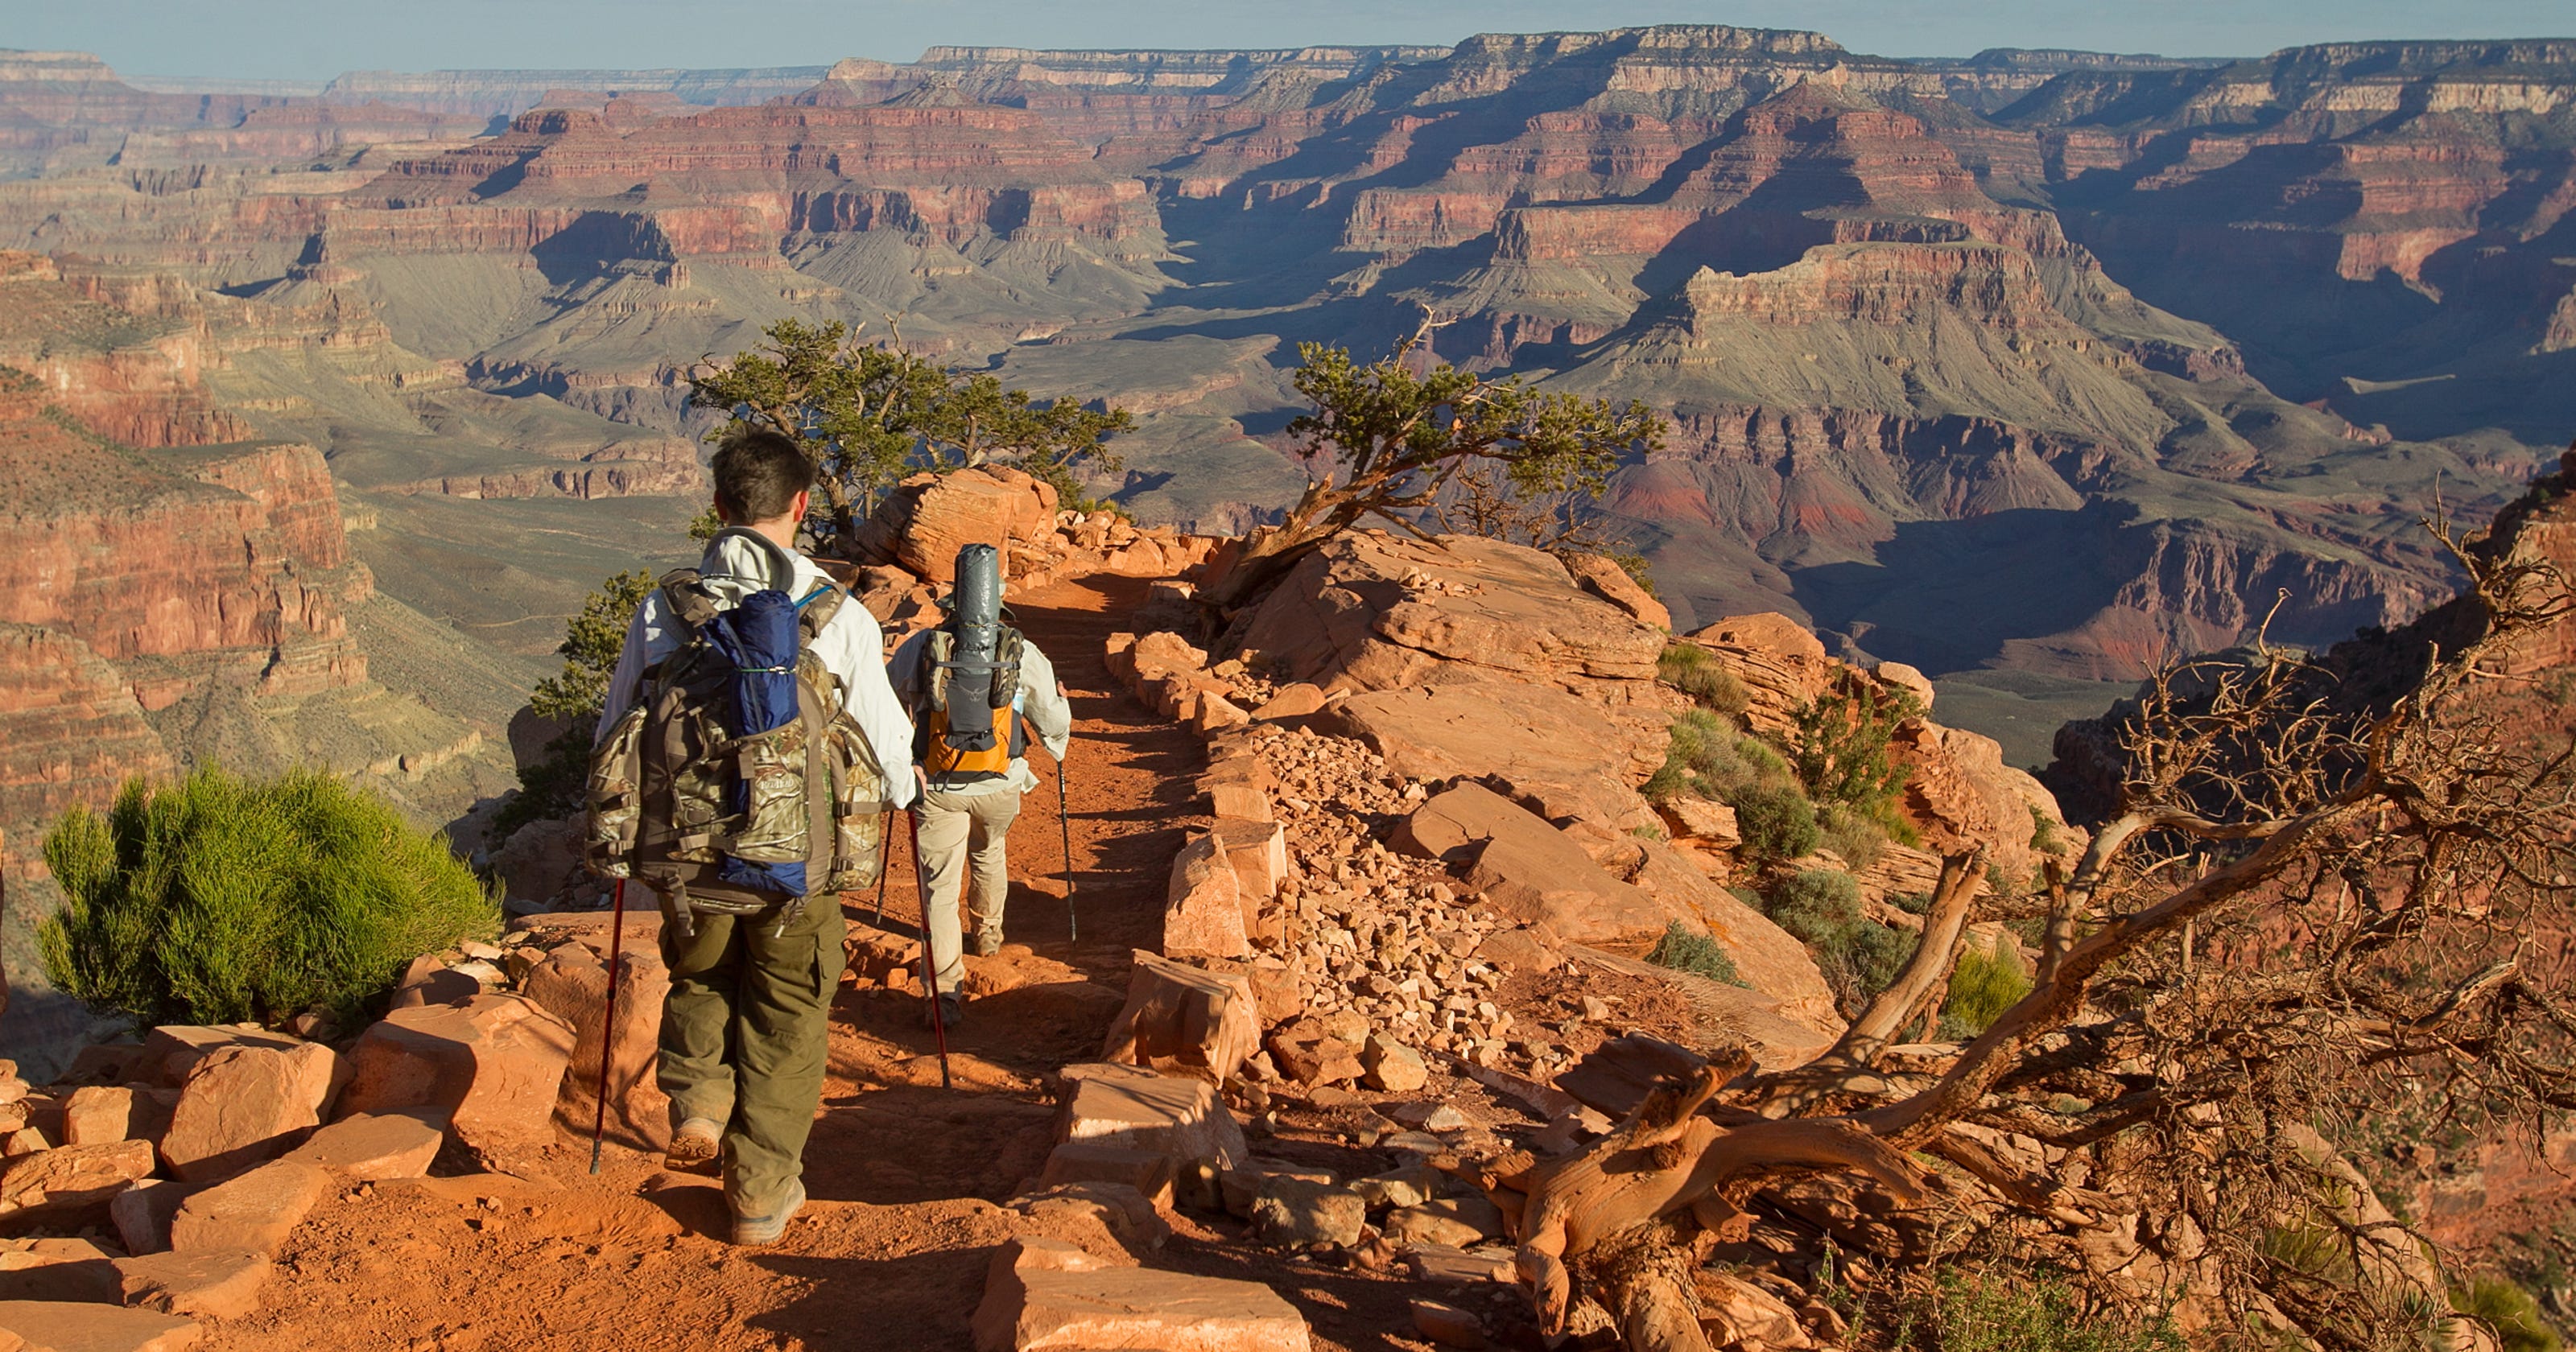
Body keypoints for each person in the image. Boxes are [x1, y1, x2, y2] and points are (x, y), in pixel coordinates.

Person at [592, 429, 915, 1246]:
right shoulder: (835, 613)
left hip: (687, 861)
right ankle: (761, 1198)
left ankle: (699, 1099)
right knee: (788, 1018)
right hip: (794, 871)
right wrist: (905, 796)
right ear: (800, 507)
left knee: (701, 981)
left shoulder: (665, 608)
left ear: (718, 505)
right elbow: (886, 751)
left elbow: (615, 730)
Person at [887, 546, 1071, 1026]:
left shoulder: (921, 646)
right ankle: (988, 934)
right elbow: (1050, 716)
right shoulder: (1021, 652)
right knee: (989, 853)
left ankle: (945, 995)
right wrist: (1058, 739)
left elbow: (887, 703)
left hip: (938, 786)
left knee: (939, 889)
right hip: (1000, 782)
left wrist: (900, 762)